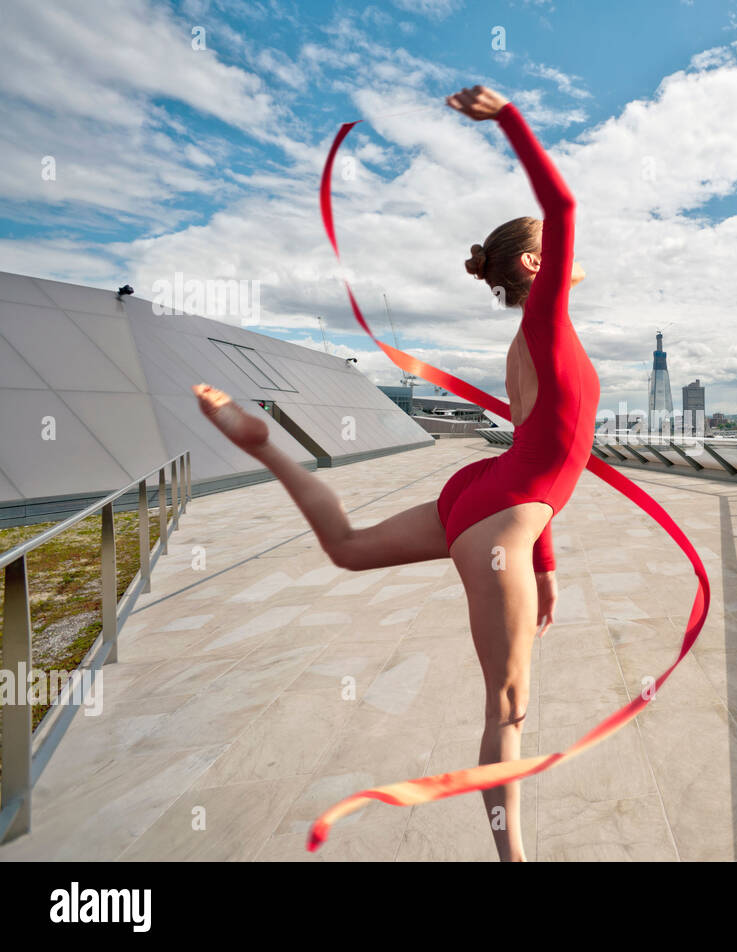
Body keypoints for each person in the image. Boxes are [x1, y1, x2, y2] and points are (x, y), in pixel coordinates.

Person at [192, 85, 599, 862]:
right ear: (534, 265)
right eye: (556, 249)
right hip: (502, 506)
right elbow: (566, 204)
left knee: (345, 545)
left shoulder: (532, 343)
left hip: (488, 495)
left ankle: (266, 443)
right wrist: (510, 118)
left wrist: (544, 565)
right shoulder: (543, 323)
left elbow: (539, 457)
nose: (575, 255)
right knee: (508, 711)